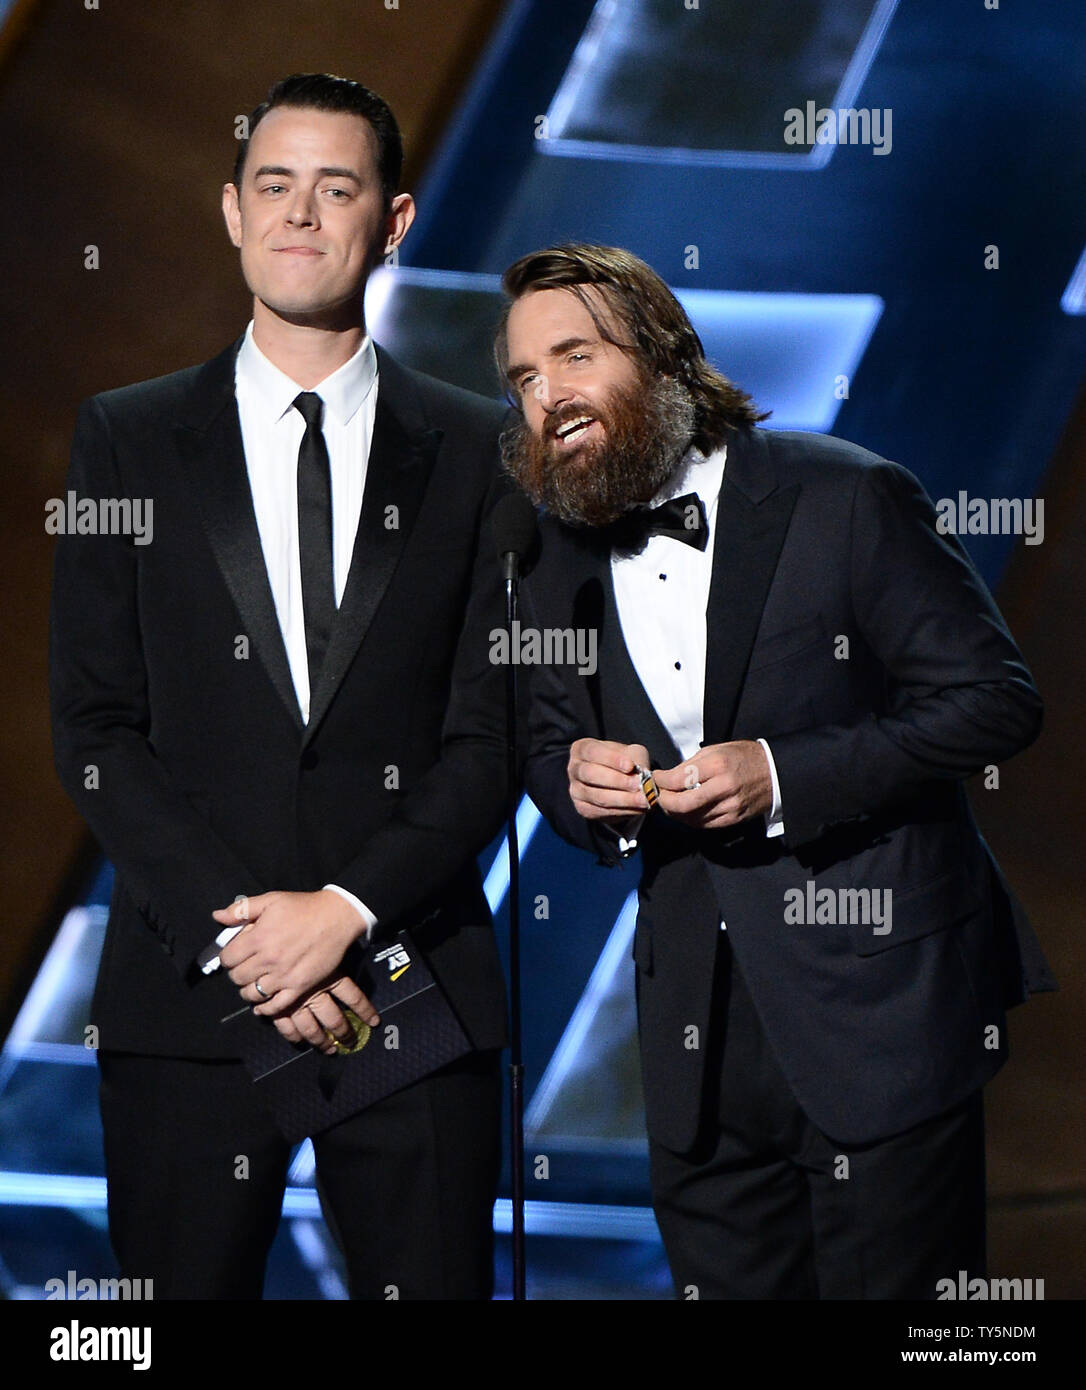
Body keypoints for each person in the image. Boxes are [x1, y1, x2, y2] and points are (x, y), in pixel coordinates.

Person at [498, 242, 1055, 1300]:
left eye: (573, 357)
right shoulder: (547, 557)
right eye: (524, 379)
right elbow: (544, 748)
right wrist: (577, 789)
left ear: (664, 355)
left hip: (882, 1013)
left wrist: (783, 774)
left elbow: (995, 700)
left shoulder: (843, 496)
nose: (548, 397)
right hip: (693, 1053)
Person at [49, 73, 510, 1300]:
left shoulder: (476, 453)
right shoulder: (128, 439)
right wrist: (250, 939)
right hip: (192, 995)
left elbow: (489, 735)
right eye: (274, 185)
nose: (301, 213)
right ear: (231, 212)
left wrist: (346, 911)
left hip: (409, 987)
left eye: (336, 186)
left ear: (396, 220)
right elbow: (95, 725)